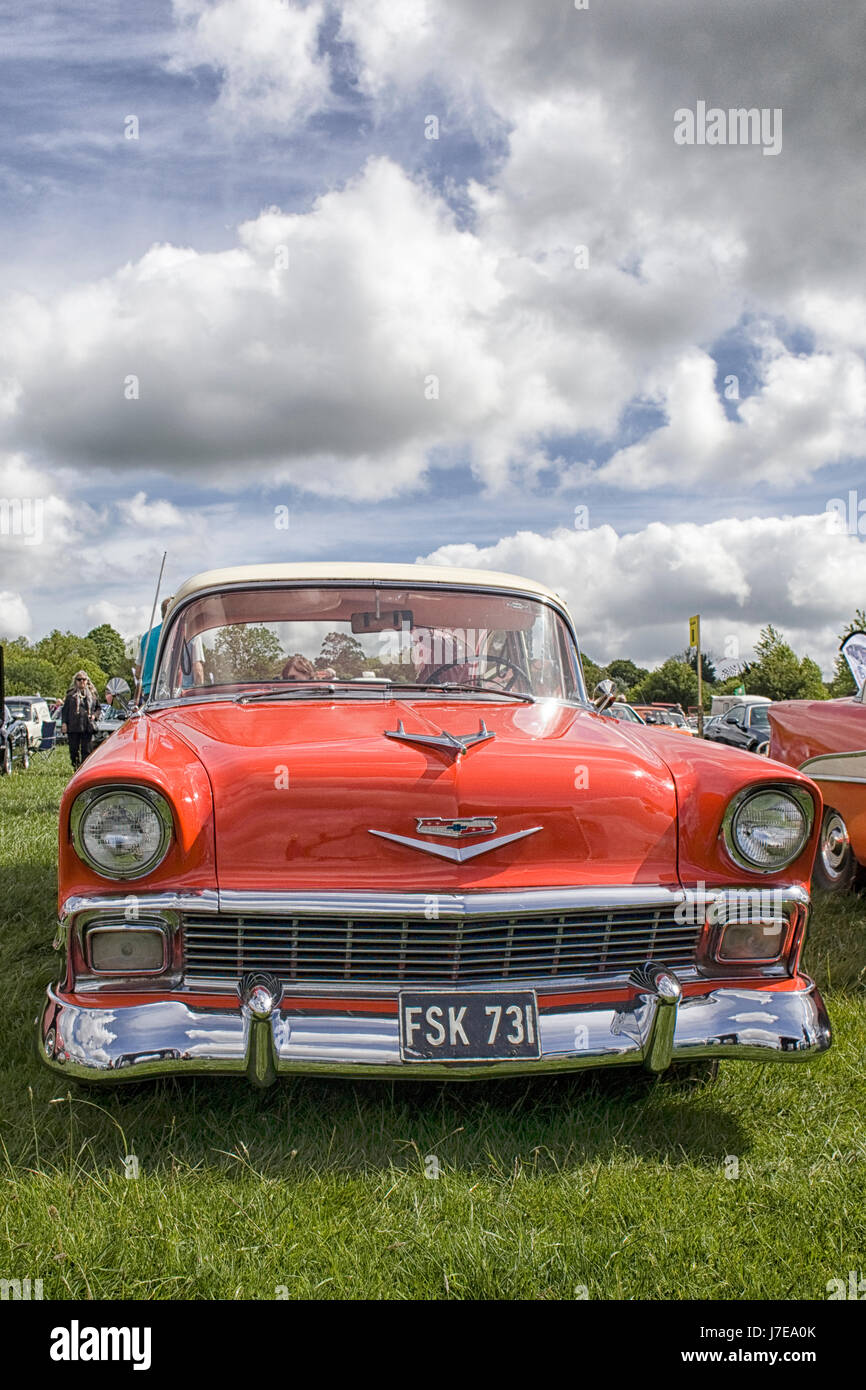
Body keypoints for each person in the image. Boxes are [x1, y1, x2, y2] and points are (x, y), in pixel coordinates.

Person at [61, 671, 100, 770]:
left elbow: (98, 709)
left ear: (87, 681)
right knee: (73, 750)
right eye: (79, 679)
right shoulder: (70, 695)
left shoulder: (92, 695)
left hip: (87, 726)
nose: (81, 681)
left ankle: (83, 769)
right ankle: (76, 766)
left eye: (84, 679)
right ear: (75, 681)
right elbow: (65, 710)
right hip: (73, 726)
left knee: (86, 750)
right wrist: (64, 723)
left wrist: (94, 716)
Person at [134, 597, 172, 700]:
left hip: (149, 693)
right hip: (171, 692)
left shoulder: (146, 637)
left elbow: (138, 673)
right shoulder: (176, 633)